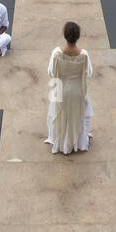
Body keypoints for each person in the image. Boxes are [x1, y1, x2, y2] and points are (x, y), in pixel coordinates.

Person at [46, 21, 93, 155]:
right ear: (78, 36)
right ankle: (77, 142)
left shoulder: (56, 53)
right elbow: (89, 72)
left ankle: (60, 141)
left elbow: (51, 72)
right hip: (77, 90)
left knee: (60, 115)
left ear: (65, 35)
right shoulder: (84, 54)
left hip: (60, 89)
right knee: (77, 116)